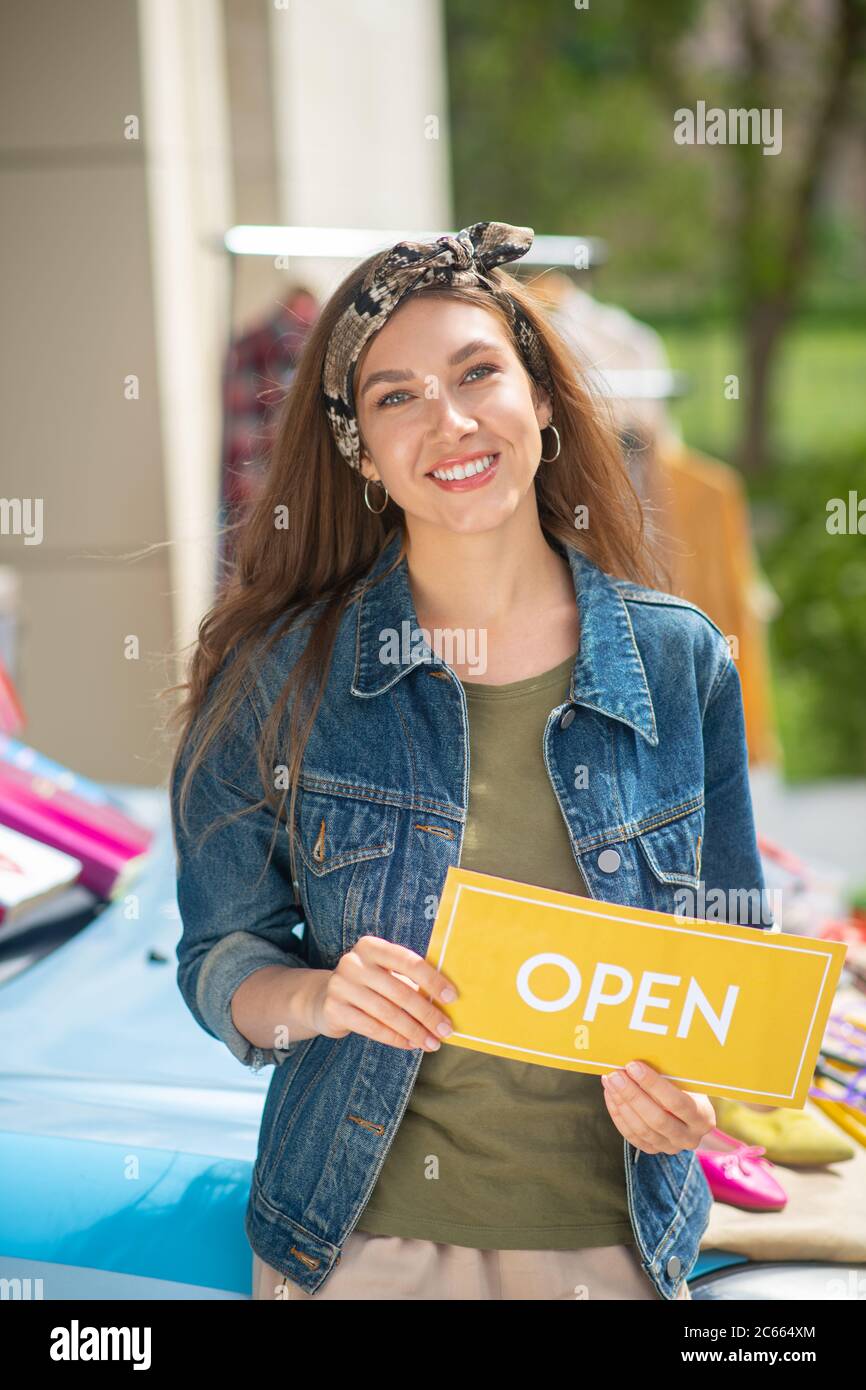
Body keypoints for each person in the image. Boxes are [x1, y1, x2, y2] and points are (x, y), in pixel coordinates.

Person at [167, 221, 769, 1302]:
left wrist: (696, 1094)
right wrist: (316, 998)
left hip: (614, 1247)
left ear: (539, 397)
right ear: (359, 447)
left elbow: (726, 970)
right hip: (360, 1248)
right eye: (395, 396)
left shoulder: (679, 660)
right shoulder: (275, 674)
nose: (447, 420)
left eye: (476, 372)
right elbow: (220, 960)